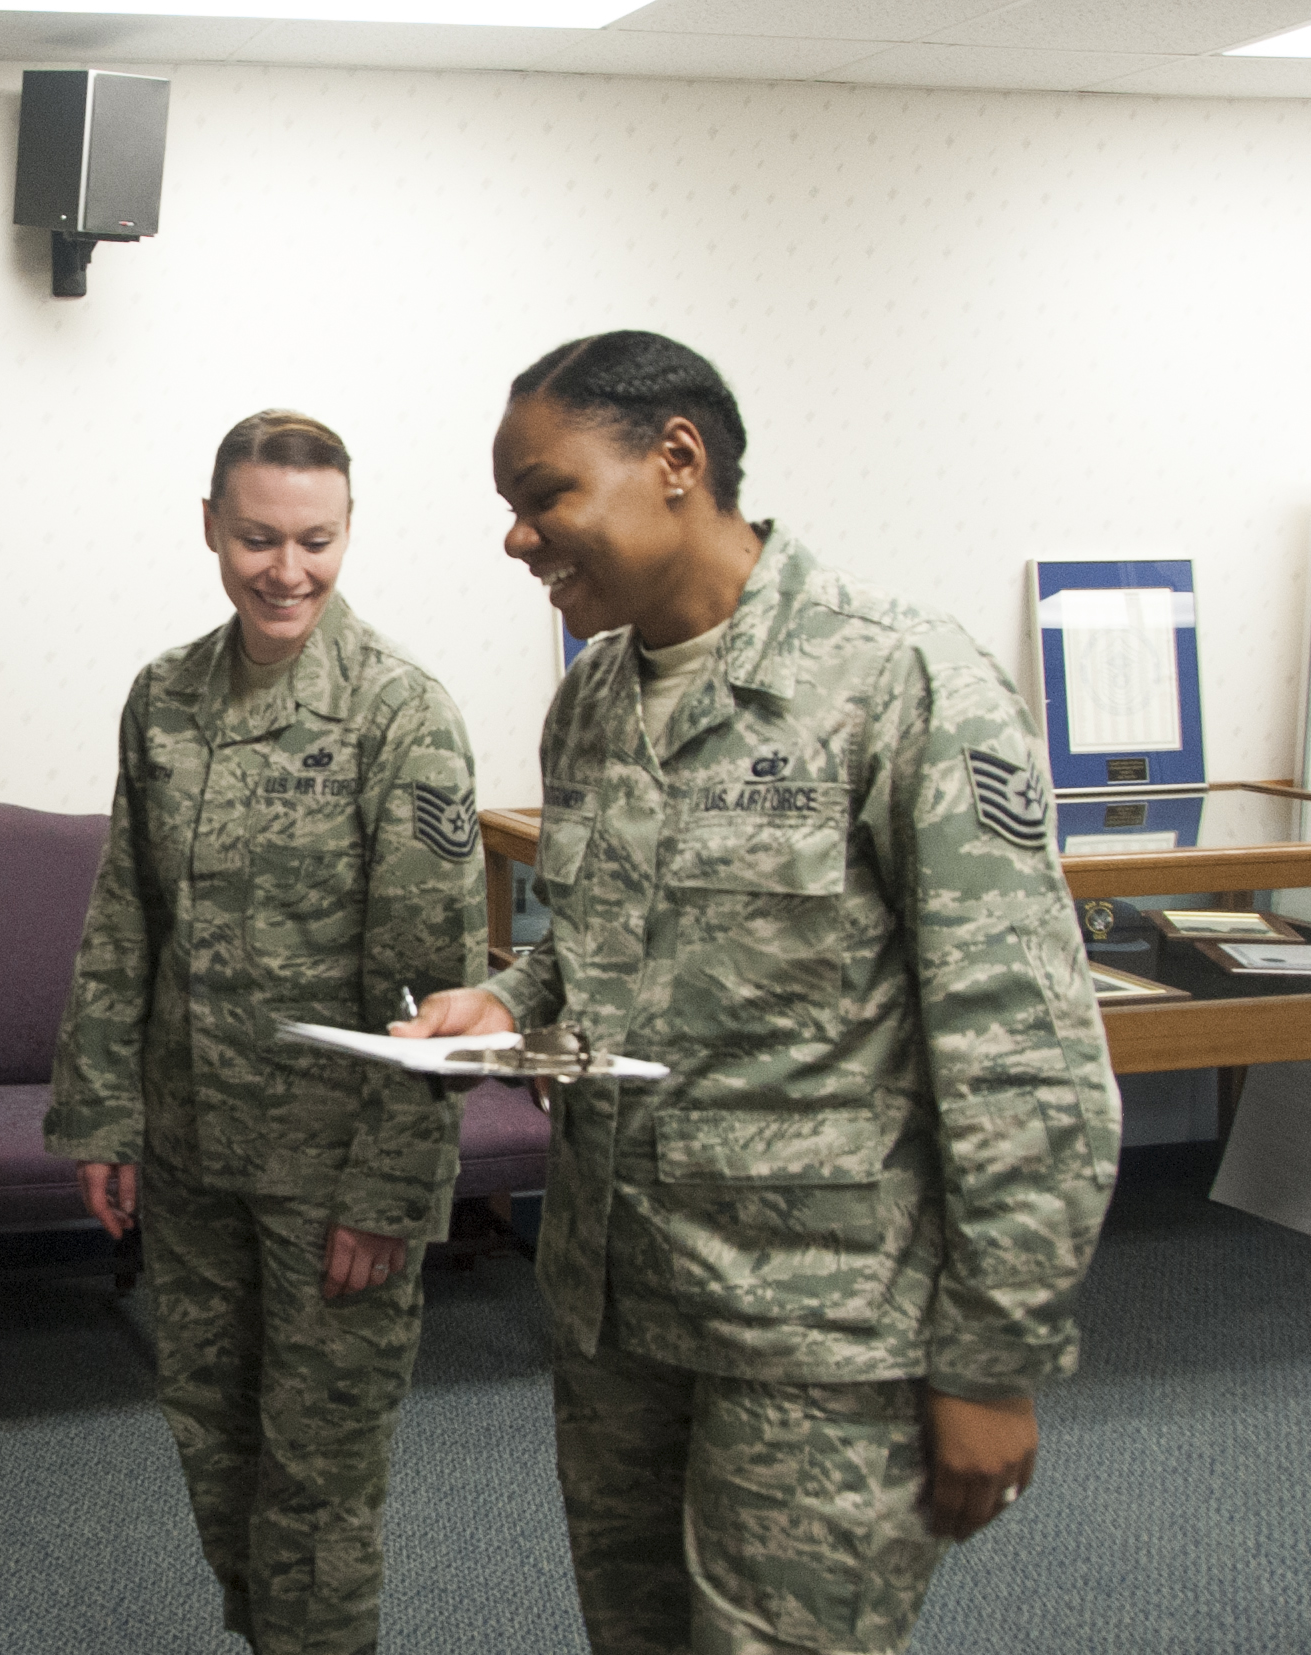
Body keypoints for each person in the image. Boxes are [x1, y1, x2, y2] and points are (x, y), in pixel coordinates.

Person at [397, 331, 1121, 1655]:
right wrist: (505, 1000)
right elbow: (588, 950)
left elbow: (1025, 1051)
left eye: (542, 494)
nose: (517, 537)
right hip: (620, 1305)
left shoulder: (902, 684)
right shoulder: (591, 704)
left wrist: (992, 1357)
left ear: (676, 460)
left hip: (822, 1332)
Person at [46, 410, 488, 1655]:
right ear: (211, 528)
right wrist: (101, 1113)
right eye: (257, 539)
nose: (285, 570)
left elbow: (428, 987)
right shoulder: (165, 697)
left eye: (315, 540)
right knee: (217, 1443)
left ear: (348, 534)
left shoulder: (403, 714)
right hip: (191, 1158)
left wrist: (388, 1193)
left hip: (330, 1179)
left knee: (321, 1483)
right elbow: (126, 917)